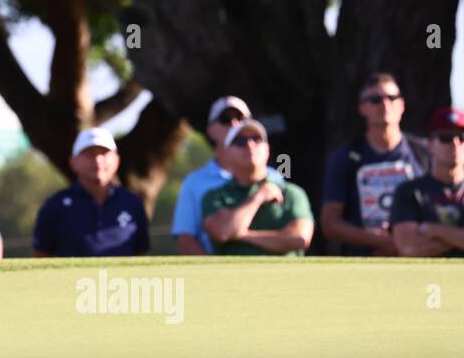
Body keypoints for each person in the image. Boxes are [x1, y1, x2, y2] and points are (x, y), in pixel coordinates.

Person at [321, 73, 429, 257]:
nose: (385, 104)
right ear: (362, 109)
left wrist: (409, 240)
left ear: (402, 105)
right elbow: (330, 223)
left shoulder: (425, 153)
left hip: (420, 262)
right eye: (376, 99)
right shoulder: (346, 157)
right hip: (365, 265)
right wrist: (378, 240)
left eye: (392, 98)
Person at [172, 96, 284, 255]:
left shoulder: (275, 177)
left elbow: (296, 236)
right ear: (210, 130)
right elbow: (186, 239)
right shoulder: (194, 182)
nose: (234, 124)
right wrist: (215, 275)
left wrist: (242, 235)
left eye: (240, 118)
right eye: (225, 119)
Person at [201, 119, 314, 256]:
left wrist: (241, 234)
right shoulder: (215, 196)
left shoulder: (291, 193)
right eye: (240, 141)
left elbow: (299, 238)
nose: (250, 144)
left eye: (256, 139)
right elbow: (222, 231)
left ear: (267, 149)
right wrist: (259, 197)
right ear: (227, 153)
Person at [32, 128, 148, 257]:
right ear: (73, 162)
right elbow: (41, 256)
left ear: (117, 161)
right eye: (90, 154)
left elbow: (140, 254)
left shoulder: (133, 203)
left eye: (104, 153)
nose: (98, 160)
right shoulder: (55, 206)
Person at [391, 107, 464, 258]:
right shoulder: (409, 192)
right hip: (425, 279)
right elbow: (409, 248)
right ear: (430, 144)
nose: (455, 144)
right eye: (445, 137)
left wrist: (434, 229)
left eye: (463, 137)